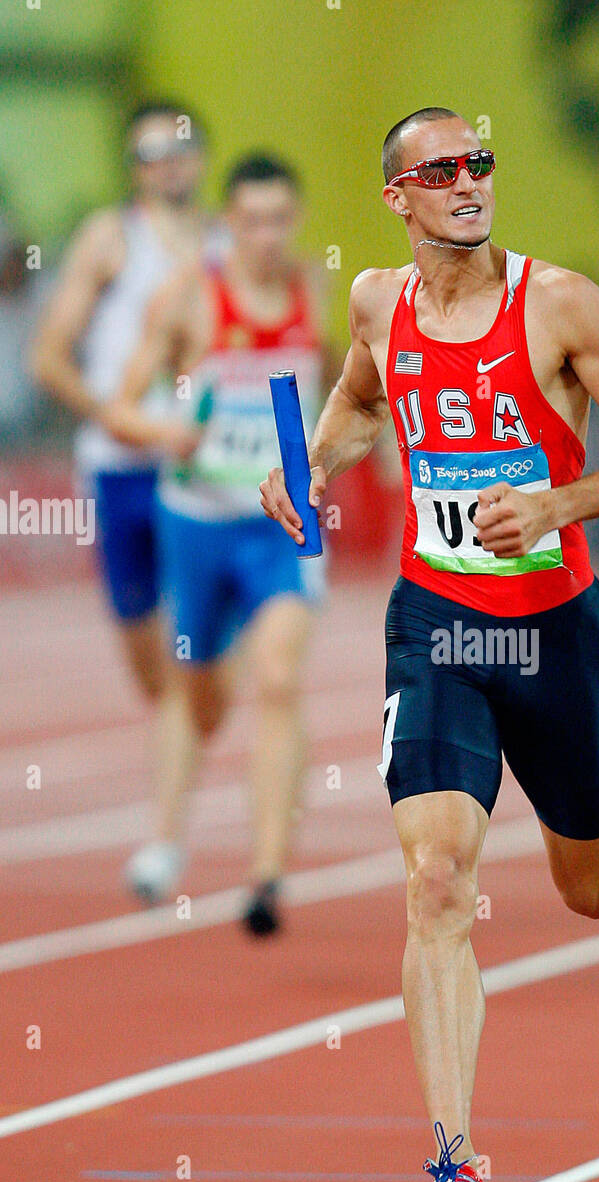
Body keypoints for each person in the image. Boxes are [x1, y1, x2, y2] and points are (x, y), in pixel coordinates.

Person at [259, 108, 599, 1182]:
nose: (469, 184)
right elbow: (362, 402)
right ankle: (456, 1162)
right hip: (438, 627)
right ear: (397, 197)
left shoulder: (558, 304)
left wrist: (557, 502)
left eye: (481, 164)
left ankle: (593, 746)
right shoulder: (375, 301)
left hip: (556, 635)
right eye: (442, 171)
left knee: (589, 891)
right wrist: (305, 468)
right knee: (437, 881)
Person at [104, 154, 331, 937]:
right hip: (197, 520)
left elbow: (335, 379)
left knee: (276, 678)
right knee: (194, 692)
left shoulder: (315, 290)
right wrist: (173, 430)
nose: (267, 235)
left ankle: (266, 876)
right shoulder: (189, 299)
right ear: (227, 223)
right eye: (252, 219)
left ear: (295, 220)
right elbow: (120, 408)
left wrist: (359, 454)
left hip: (283, 521)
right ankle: (166, 837)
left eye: (280, 218)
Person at [30, 101, 212, 902]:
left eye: (181, 149)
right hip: (119, 467)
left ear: (200, 159)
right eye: (150, 153)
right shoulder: (112, 238)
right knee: (151, 665)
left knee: (181, 666)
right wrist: (115, 417)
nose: (168, 164)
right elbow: (47, 356)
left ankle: (163, 840)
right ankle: (196, 707)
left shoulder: (226, 243)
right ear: (133, 167)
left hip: (198, 472)